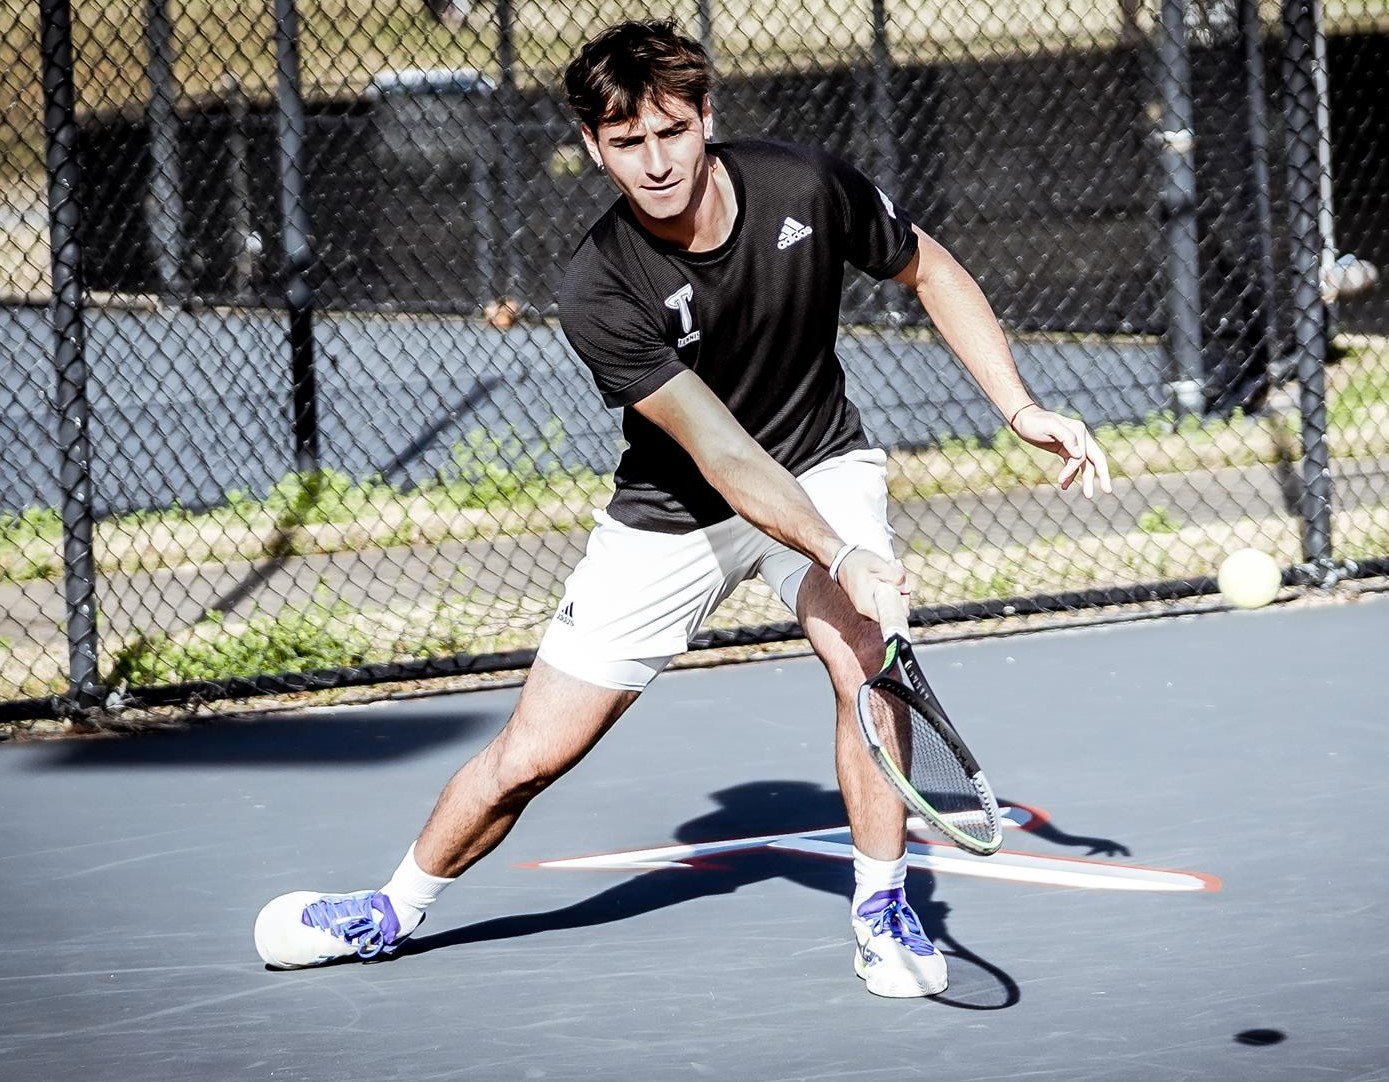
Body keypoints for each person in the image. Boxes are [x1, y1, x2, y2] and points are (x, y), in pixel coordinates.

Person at [253, 18, 1110, 999]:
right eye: (625, 143)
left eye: (670, 131)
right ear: (591, 147)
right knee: (533, 753)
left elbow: (930, 267)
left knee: (866, 658)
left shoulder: (804, 186)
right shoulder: (598, 286)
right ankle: (391, 908)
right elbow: (720, 453)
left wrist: (1019, 405)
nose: (654, 162)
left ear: (706, 116)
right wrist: (841, 551)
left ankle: (881, 905)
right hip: (677, 506)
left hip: (820, 458)